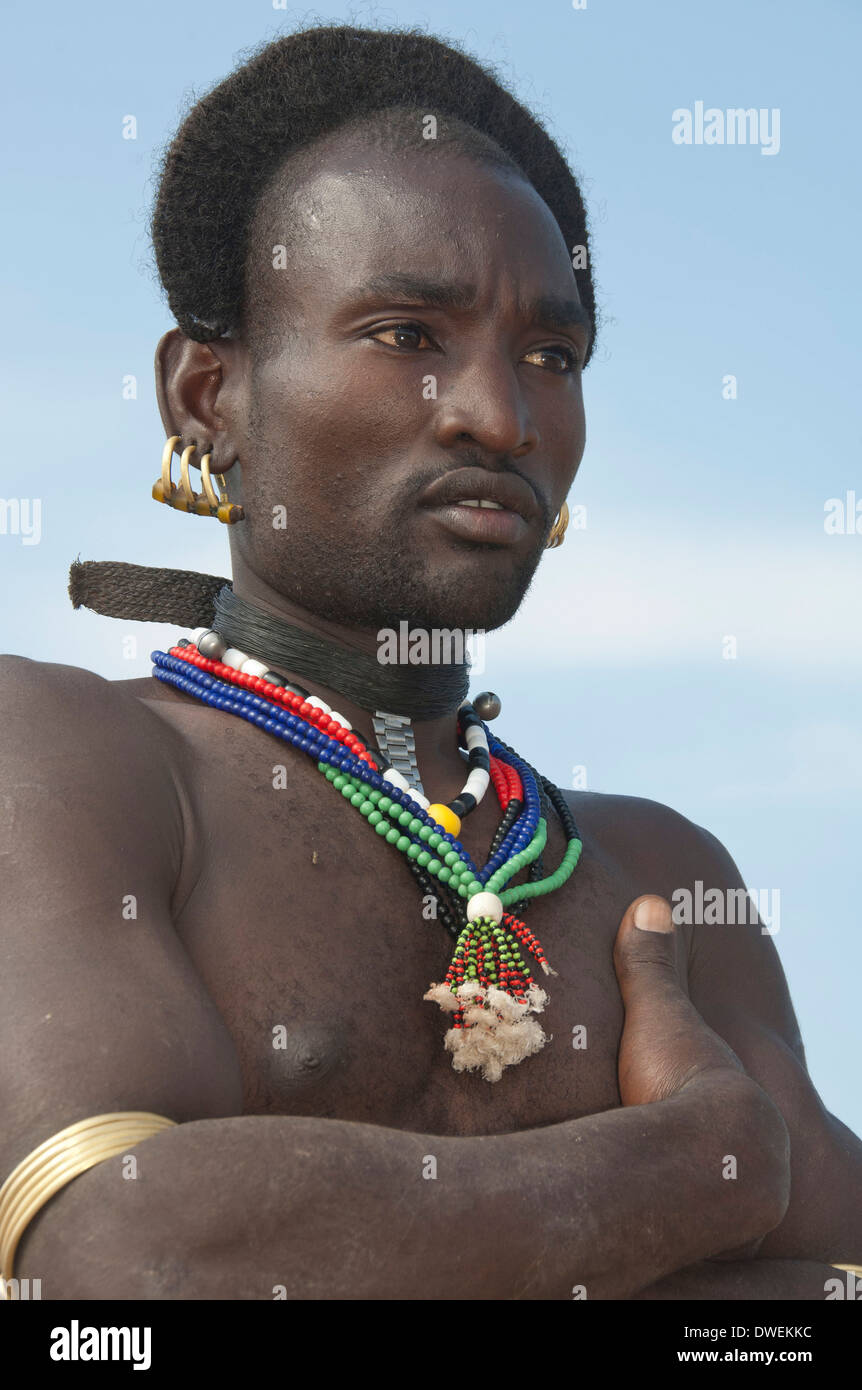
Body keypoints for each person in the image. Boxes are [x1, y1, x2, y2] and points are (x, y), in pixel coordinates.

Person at [1, 23, 859, 1301]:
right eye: (408, 334)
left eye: (552, 356)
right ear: (206, 398)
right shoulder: (72, 759)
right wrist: (686, 1170)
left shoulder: (660, 870)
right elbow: (113, 1266)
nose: (500, 415)